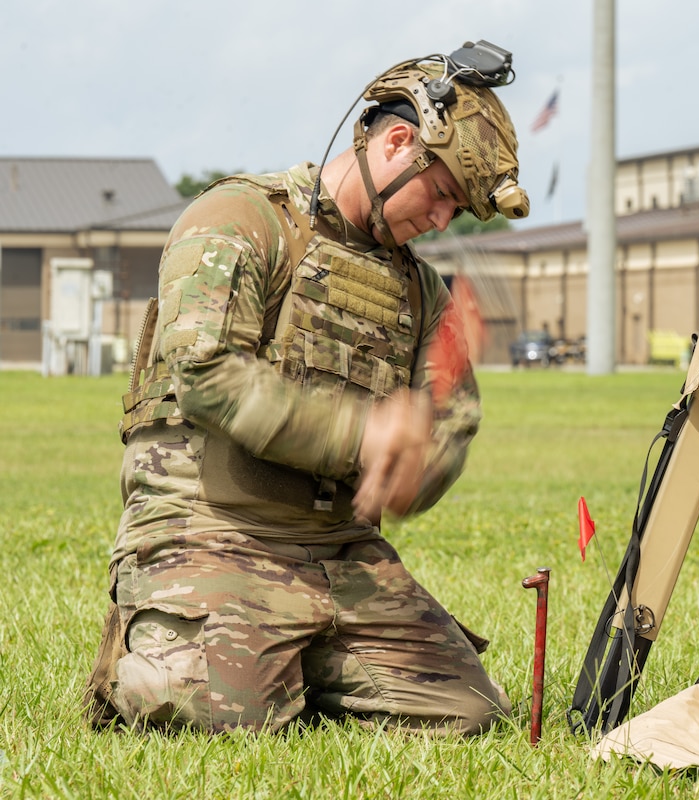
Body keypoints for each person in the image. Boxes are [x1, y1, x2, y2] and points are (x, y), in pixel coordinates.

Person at [84, 41, 530, 735]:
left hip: (342, 552)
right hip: (212, 531)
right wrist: (363, 434)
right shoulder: (239, 220)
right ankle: (165, 652)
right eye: (442, 194)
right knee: (213, 711)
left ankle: (290, 665)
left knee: (470, 711)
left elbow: (453, 421)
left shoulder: (421, 290)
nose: (443, 221)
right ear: (397, 143)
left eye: (458, 210)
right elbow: (205, 374)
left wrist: (421, 466)